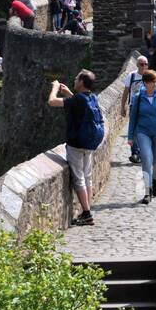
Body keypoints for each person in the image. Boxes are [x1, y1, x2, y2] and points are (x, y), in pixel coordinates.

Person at [48, 70, 105, 226]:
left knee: (79, 179)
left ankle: (86, 214)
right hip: (90, 143)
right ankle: (87, 209)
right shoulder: (92, 98)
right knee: (88, 176)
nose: (74, 78)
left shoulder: (77, 100)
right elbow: (80, 104)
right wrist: (68, 92)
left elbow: (52, 102)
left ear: (81, 82)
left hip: (76, 144)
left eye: (77, 77)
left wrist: (55, 88)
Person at [127, 68, 156, 202]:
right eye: (152, 82)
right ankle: (147, 192)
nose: (155, 84)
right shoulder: (138, 97)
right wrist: (131, 136)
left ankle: (155, 181)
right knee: (147, 159)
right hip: (143, 132)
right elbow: (133, 117)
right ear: (145, 83)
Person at [121, 55, 149, 163]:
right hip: (134, 106)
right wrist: (122, 106)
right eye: (141, 64)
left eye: (145, 64)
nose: (143, 66)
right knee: (135, 130)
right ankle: (135, 153)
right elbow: (125, 92)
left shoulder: (150, 76)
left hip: (147, 107)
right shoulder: (131, 76)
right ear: (137, 65)